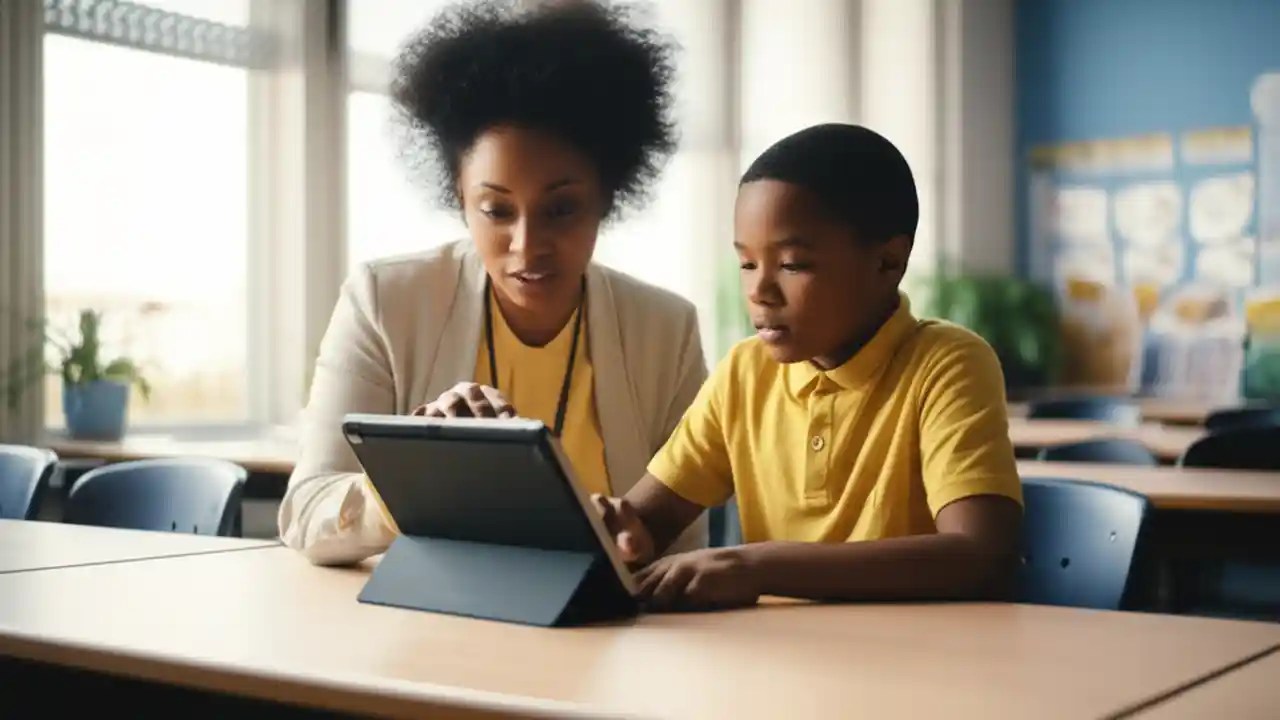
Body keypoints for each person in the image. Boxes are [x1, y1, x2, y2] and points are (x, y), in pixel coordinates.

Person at [280, 0, 708, 566]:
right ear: (459, 198)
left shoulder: (666, 331)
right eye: (496, 211)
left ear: (607, 196)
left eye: (561, 210)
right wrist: (411, 480)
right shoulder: (384, 302)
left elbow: (680, 551)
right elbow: (305, 515)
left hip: (604, 637)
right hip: (430, 631)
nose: (527, 245)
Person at [594, 123, 1024, 610]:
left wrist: (758, 566)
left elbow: (981, 556)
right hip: (786, 664)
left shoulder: (946, 364)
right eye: (747, 264)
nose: (760, 291)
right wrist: (609, 526)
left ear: (888, 262)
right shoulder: (745, 373)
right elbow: (645, 523)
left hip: (920, 665)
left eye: (793, 264)